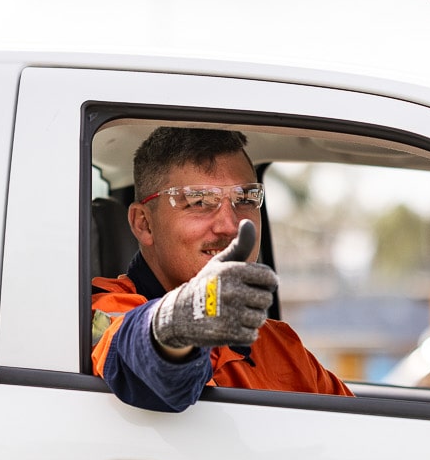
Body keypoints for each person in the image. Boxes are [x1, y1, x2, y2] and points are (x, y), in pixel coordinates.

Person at [92, 127, 351, 411]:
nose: (230, 225)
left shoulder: (279, 344)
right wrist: (184, 318)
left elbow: (356, 432)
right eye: (199, 201)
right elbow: (136, 356)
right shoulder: (102, 311)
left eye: (245, 199)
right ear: (144, 223)